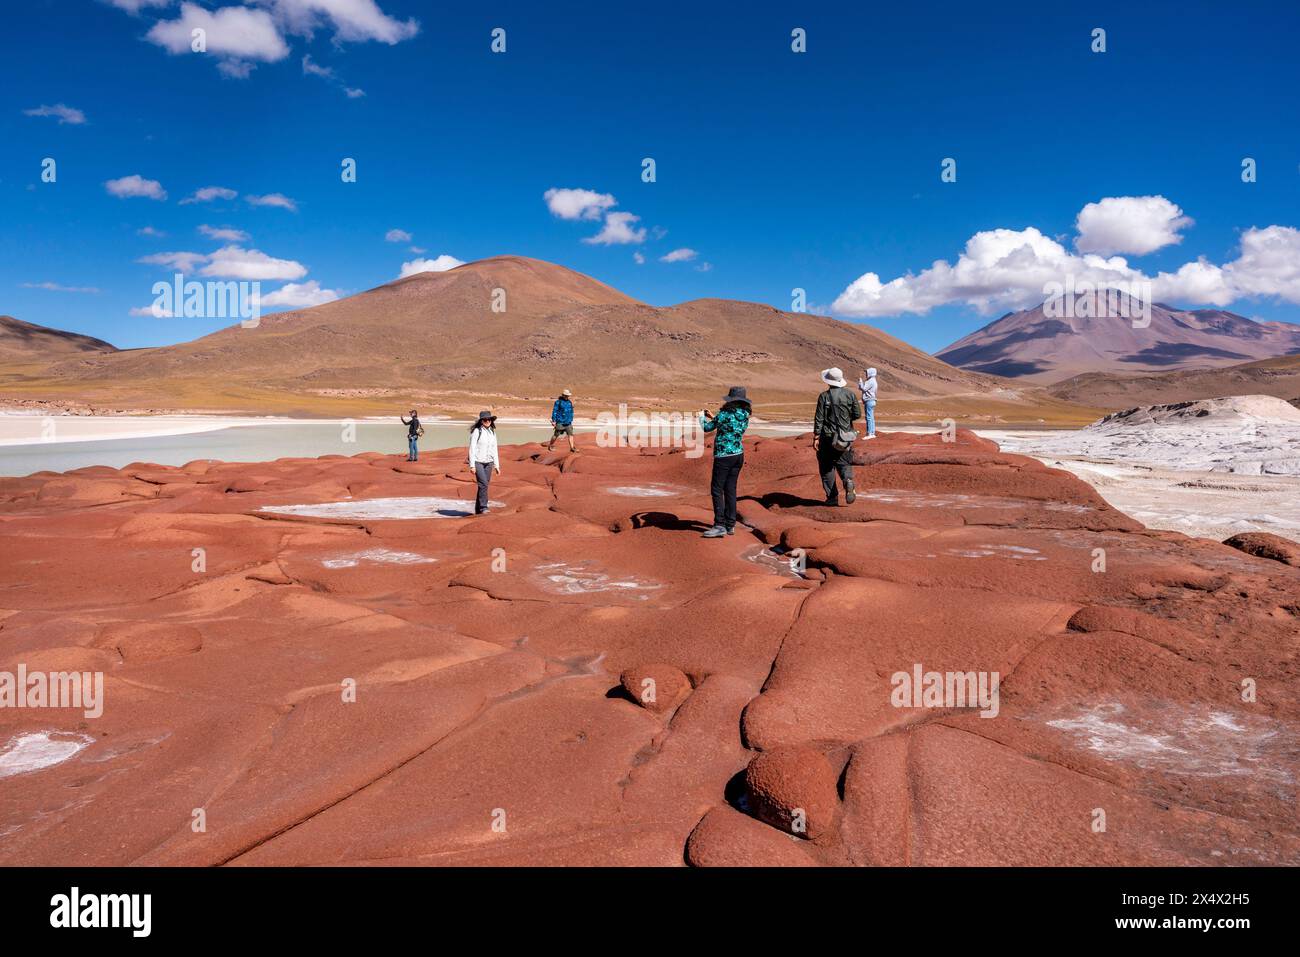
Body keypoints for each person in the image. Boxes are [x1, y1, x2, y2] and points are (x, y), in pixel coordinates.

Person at [698, 386, 751, 538]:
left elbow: (707, 428)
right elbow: (728, 426)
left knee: (716, 489)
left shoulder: (724, 414)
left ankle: (719, 525)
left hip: (723, 456)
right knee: (730, 489)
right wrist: (712, 415)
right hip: (738, 454)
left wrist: (701, 417)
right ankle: (730, 525)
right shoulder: (745, 414)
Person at [813, 367, 862, 505]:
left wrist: (816, 436)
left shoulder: (824, 396)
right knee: (844, 462)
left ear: (828, 381)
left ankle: (832, 497)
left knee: (826, 466)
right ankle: (848, 481)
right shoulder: (850, 395)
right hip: (845, 437)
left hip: (827, 437)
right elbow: (857, 414)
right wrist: (846, 420)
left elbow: (819, 418)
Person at [467, 410, 500, 515]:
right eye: (485, 419)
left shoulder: (492, 432)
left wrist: (497, 465)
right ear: (481, 421)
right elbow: (472, 448)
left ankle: (478, 509)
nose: (487, 421)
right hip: (478, 462)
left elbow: (495, 449)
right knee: (484, 484)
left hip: (489, 463)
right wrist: (472, 465)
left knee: (483, 486)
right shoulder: (477, 431)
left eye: (489, 419)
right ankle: (484, 507)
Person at [548, 388, 576, 452]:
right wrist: (554, 421)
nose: (567, 397)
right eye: (566, 395)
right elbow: (554, 411)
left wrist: (571, 419)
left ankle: (572, 448)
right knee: (556, 435)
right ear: (563, 395)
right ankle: (550, 445)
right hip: (560, 422)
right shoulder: (558, 402)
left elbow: (571, 411)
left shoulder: (569, 402)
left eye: (568, 395)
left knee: (570, 435)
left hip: (568, 422)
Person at [856, 368, 878, 439]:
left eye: (867, 373)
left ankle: (869, 434)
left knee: (868, 417)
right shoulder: (874, 381)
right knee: (871, 417)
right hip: (872, 400)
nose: (866, 374)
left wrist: (860, 381)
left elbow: (863, 388)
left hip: (869, 400)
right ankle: (872, 432)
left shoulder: (870, 381)